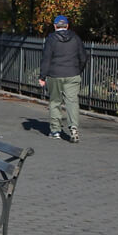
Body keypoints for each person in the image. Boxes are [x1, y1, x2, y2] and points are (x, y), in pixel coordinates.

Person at [39, 14, 89, 142]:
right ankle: (73, 127)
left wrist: (42, 76)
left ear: (55, 26)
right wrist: (78, 70)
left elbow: (46, 59)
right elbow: (83, 57)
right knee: (72, 102)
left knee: (55, 102)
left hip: (55, 74)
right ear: (67, 26)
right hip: (72, 73)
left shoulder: (51, 39)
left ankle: (55, 130)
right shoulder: (76, 38)